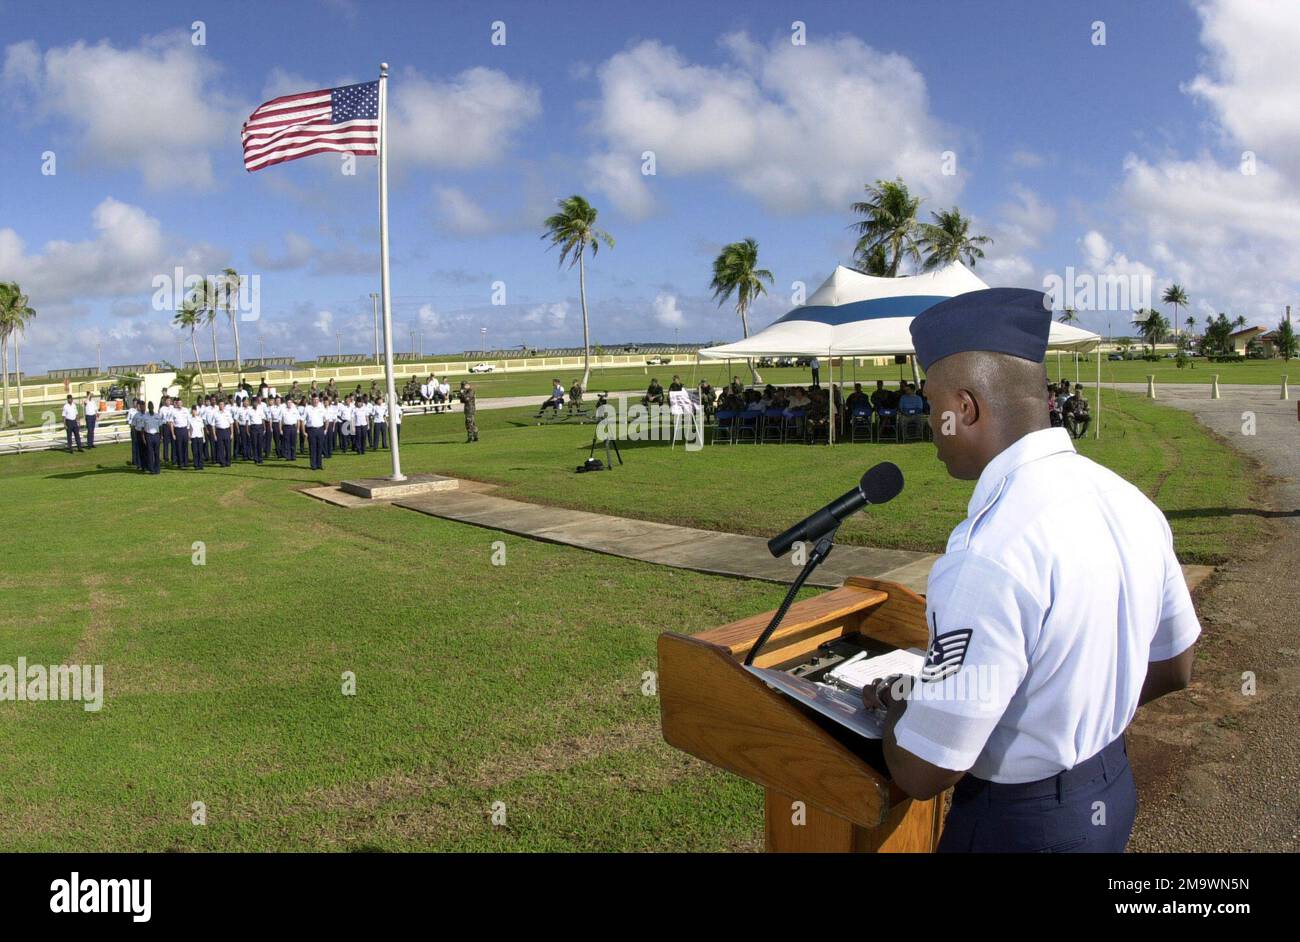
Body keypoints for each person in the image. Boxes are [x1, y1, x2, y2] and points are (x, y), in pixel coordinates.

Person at [862, 287, 1200, 853]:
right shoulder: (1126, 499)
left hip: (1021, 825)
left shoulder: (988, 551)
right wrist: (1076, 709)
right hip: (1109, 788)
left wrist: (900, 704)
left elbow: (924, 772)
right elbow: (1175, 666)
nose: (928, 424)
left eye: (930, 405)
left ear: (965, 408)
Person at [304, 393, 327, 470]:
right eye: (314, 400)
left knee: (320, 448)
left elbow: (326, 418)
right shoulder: (307, 408)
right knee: (313, 448)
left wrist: (325, 429)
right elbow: (302, 420)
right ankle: (313, 465)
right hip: (311, 430)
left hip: (320, 429)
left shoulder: (321, 407)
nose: (316, 401)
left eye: (317, 400)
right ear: (311, 400)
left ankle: (319, 464)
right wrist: (304, 431)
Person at [141, 401, 163, 474]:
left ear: (153, 407)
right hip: (149, 435)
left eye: (152, 406)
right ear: (148, 407)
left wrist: (161, 436)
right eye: (149, 406)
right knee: (150, 453)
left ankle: (157, 469)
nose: (151, 408)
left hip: (156, 435)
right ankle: (151, 469)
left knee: (157, 453)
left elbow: (160, 427)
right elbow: (142, 429)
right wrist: (143, 438)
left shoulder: (157, 416)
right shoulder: (145, 417)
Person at [171, 396, 189, 469]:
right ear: (176, 403)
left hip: (185, 429)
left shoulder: (186, 410)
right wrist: (173, 434)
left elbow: (188, 421)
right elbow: (171, 423)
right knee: (179, 447)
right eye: (178, 403)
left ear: (182, 403)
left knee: (185, 447)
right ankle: (180, 463)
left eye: (180, 403)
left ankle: (185, 462)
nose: (179, 404)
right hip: (178, 430)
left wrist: (188, 431)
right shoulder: (173, 411)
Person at [281, 396, 301, 460]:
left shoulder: (295, 410)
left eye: (290, 402)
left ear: (292, 403)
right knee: (287, 442)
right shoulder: (283, 410)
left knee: (293, 442)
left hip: (293, 427)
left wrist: (298, 429)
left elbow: (298, 420)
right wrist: (280, 429)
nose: (289, 404)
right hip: (286, 427)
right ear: (286, 403)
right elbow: (280, 420)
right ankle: (288, 456)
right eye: (288, 402)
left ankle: (293, 456)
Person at [188, 406, 206, 470]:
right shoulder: (190, 419)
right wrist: (189, 438)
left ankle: (201, 465)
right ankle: (196, 465)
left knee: (200, 451)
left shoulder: (200, 418)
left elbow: (202, 429)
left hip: (200, 436)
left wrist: (204, 438)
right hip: (193, 437)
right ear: (191, 412)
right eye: (193, 411)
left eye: (195, 411)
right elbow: (189, 429)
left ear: (196, 411)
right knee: (195, 452)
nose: (194, 412)